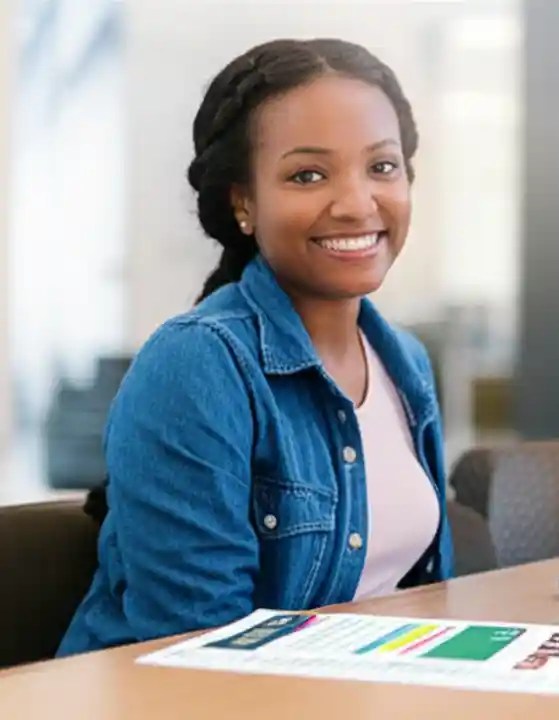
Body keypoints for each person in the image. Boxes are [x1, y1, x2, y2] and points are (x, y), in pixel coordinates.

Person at [58, 38, 453, 656]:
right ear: (244, 202)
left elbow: (420, 598)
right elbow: (202, 655)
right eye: (308, 174)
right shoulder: (196, 366)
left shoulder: (406, 362)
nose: (356, 204)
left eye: (382, 166)